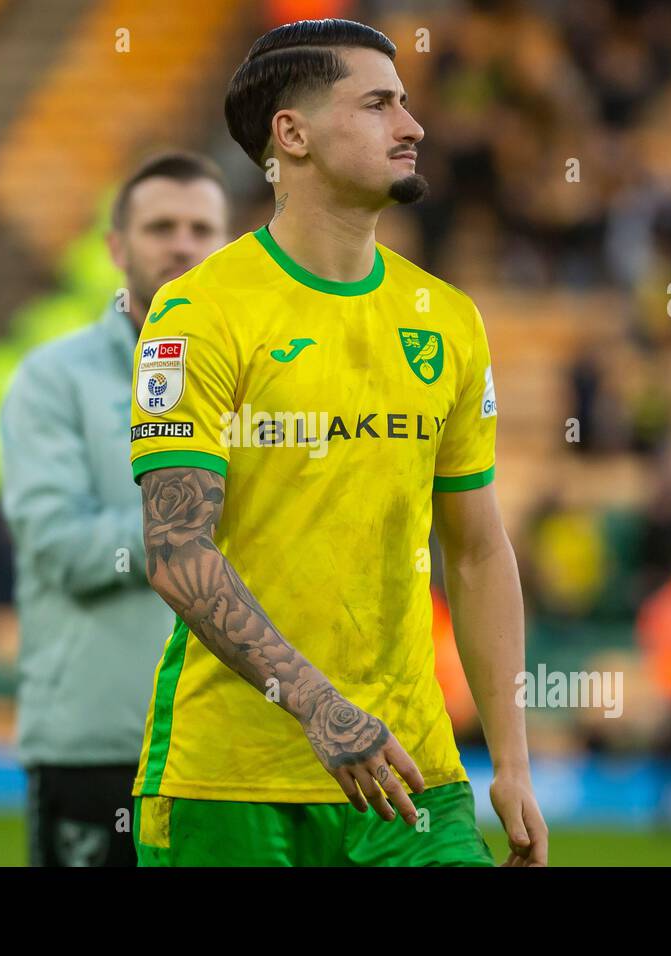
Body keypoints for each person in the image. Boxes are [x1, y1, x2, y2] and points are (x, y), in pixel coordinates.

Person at [128, 18, 546, 866]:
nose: (413, 125)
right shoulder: (201, 312)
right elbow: (176, 551)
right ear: (294, 134)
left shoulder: (449, 320)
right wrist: (320, 708)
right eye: (379, 103)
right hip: (232, 785)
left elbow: (476, 553)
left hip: (412, 778)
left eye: (406, 103)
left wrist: (511, 763)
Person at [0, 152, 230, 866]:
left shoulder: (260, 382)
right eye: (161, 226)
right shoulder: (51, 380)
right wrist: (194, 526)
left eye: (202, 228)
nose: (184, 244)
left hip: (233, 753)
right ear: (116, 247)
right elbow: (62, 546)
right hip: (99, 744)